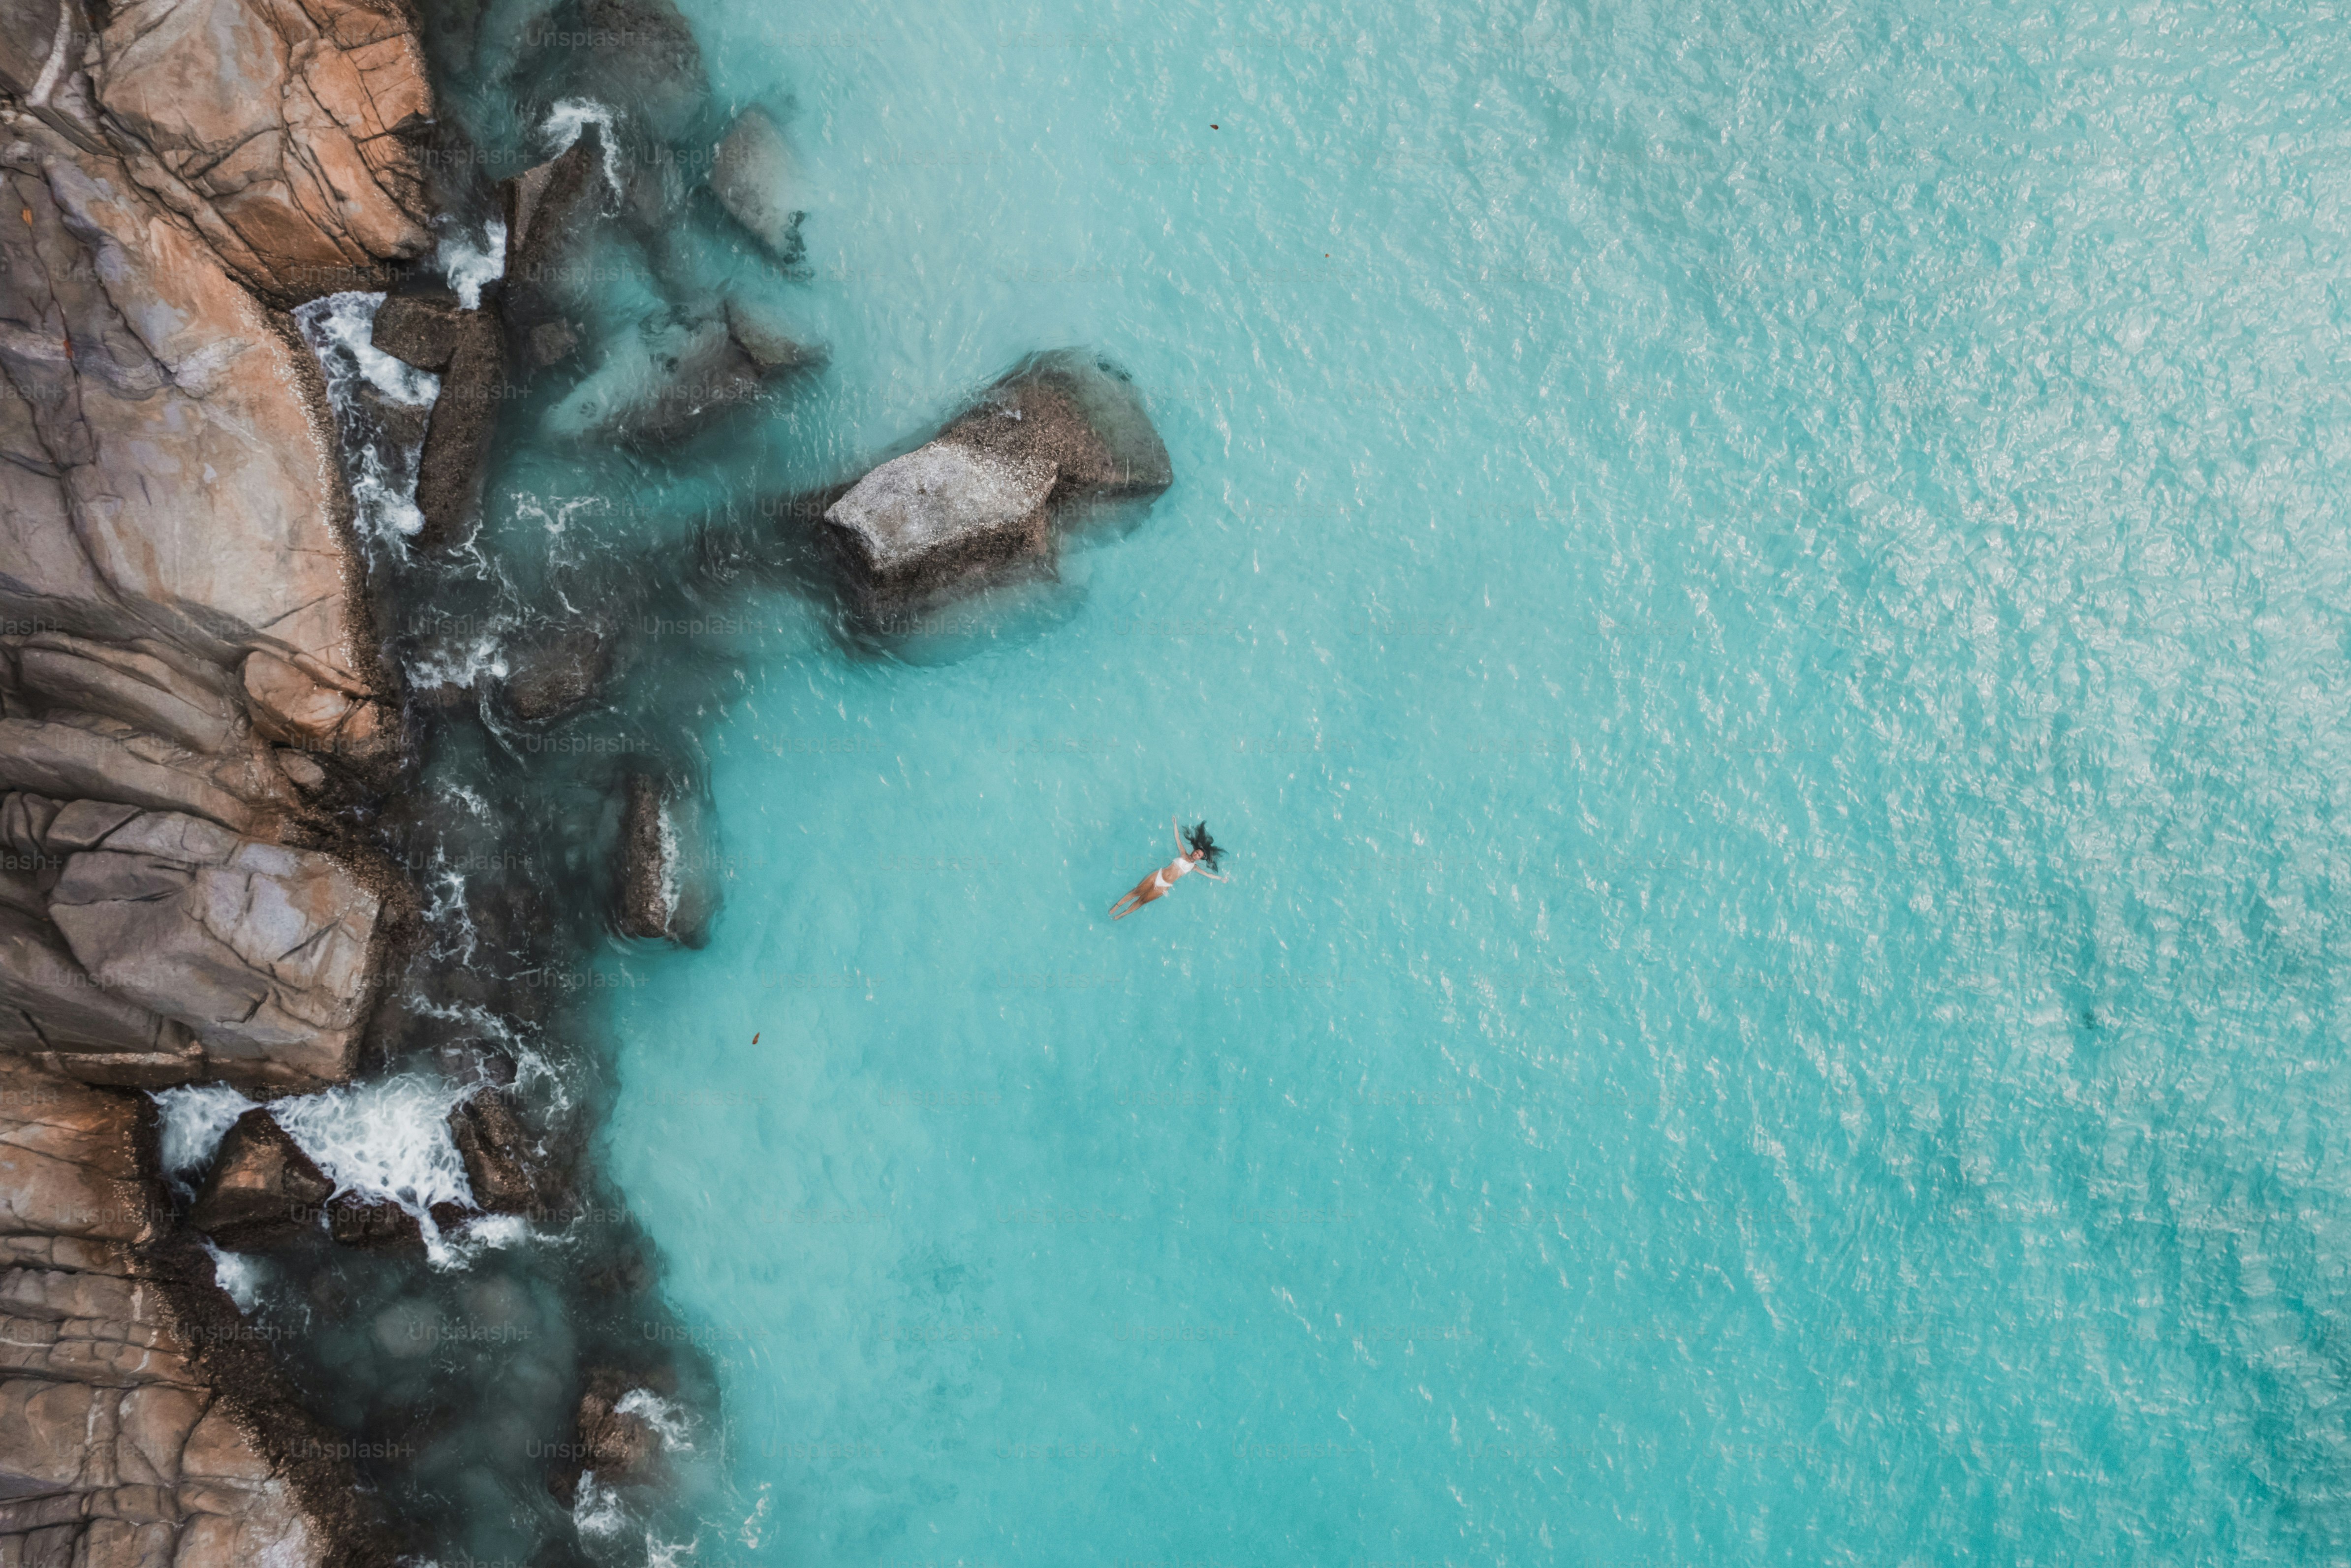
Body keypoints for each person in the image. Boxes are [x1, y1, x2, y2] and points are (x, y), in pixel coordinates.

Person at [1109, 816, 1228, 920]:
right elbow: (1177, 839)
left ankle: (1122, 915)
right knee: (1136, 892)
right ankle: (1117, 905)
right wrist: (1175, 824)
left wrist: (1220, 878)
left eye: (1199, 855)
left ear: (1200, 859)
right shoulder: (1183, 853)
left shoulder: (1194, 867)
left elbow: (1208, 875)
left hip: (1164, 886)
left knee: (1142, 901)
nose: (1197, 854)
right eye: (1197, 852)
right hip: (1158, 875)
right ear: (1194, 851)